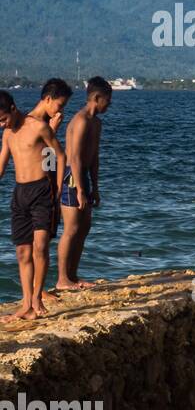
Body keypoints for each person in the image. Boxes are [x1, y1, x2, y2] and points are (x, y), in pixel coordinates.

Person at [0, 90, 66, 321]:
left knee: (40, 246)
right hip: (20, 194)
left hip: (41, 190)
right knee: (22, 252)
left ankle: (36, 299)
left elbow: (57, 154)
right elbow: (1, 167)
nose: (1, 124)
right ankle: (26, 303)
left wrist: (56, 188)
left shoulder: (38, 127)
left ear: (13, 109)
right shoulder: (7, 134)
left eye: (3, 119)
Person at [57, 76, 112, 291]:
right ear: (96, 98)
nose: (109, 104)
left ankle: (73, 275)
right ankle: (62, 279)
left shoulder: (96, 123)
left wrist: (95, 187)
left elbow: (94, 158)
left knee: (84, 227)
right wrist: (79, 189)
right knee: (71, 228)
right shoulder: (80, 121)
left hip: (85, 178)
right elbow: (76, 158)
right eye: (107, 100)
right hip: (73, 177)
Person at [30, 78, 71, 300]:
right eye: (60, 105)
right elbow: (37, 157)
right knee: (37, 243)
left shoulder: (45, 124)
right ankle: (37, 291)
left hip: (48, 185)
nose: (61, 110)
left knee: (43, 241)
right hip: (38, 187)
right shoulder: (34, 123)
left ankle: (39, 288)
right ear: (48, 99)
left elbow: (50, 159)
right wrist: (52, 133)